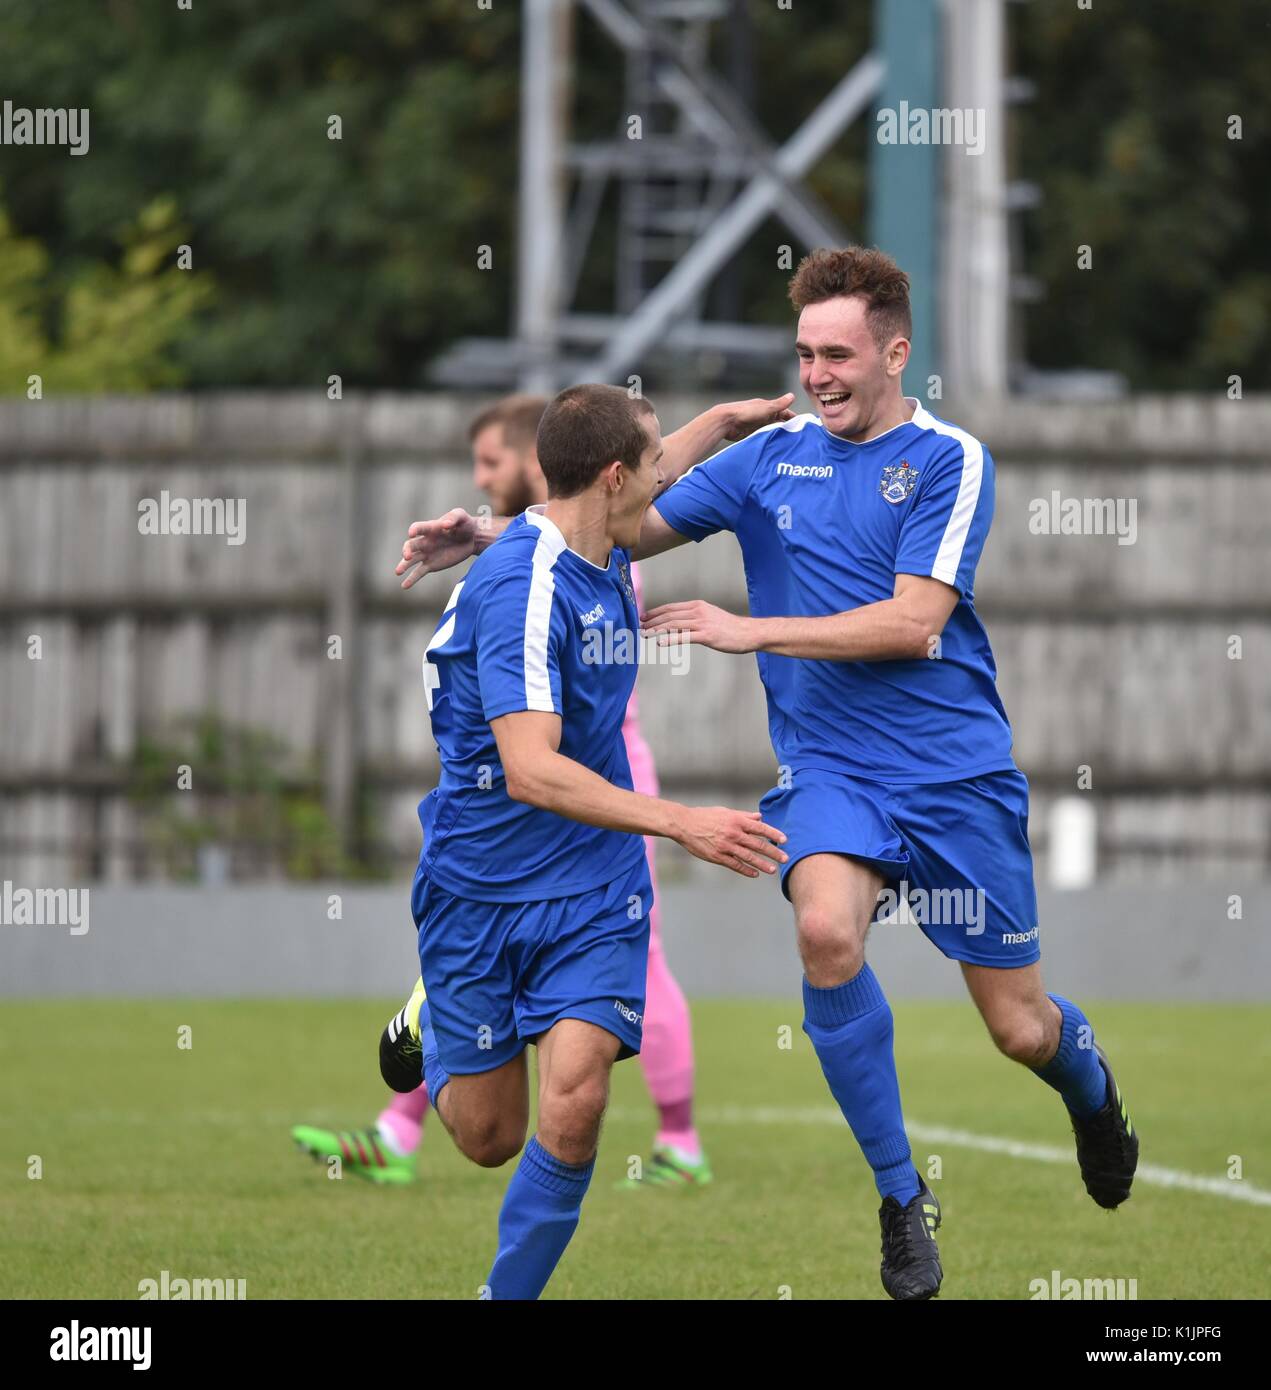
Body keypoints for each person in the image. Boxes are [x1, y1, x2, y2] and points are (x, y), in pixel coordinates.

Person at [394, 248, 1140, 1301]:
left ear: (894, 351)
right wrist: (495, 537)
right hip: (830, 770)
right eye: (804, 353)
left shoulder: (946, 461)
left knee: (1019, 1027)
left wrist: (754, 630)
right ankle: (897, 1197)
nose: (819, 372)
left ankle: (1090, 1089)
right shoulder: (768, 457)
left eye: (838, 353)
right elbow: (612, 523)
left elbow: (914, 621)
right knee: (827, 930)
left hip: (952, 773)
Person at [292, 389, 794, 1187]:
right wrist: (681, 823)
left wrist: (731, 421)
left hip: (597, 812)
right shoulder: (526, 576)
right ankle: (447, 1024)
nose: (482, 475)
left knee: (602, 1037)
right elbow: (528, 765)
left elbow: (644, 480)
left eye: (492, 459)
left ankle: (673, 1137)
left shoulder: (603, 534)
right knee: (491, 1138)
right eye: (649, 462)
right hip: (513, 817)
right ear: (612, 476)